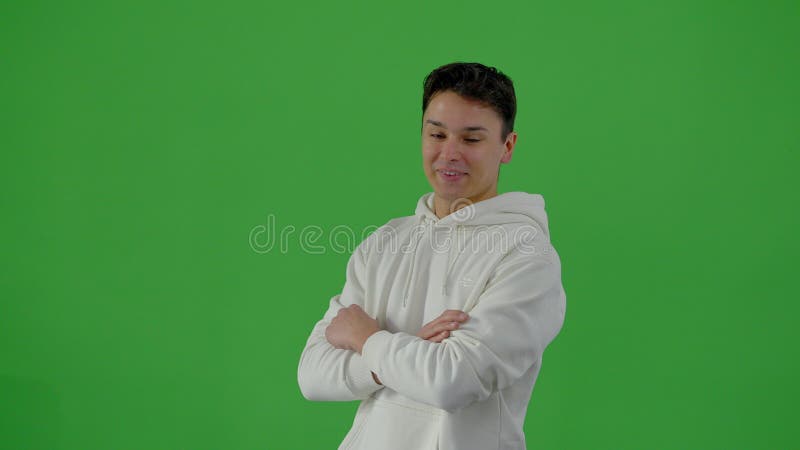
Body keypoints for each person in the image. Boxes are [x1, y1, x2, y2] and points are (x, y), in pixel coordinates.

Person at [297, 62, 567, 450]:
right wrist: (398, 353)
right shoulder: (385, 242)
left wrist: (368, 339)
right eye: (436, 134)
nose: (449, 154)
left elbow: (453, 382)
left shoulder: (527, 255)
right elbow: (311, 375)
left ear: (507, 147)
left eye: (471, 140)